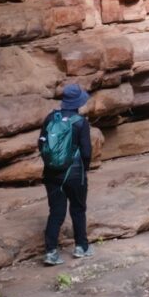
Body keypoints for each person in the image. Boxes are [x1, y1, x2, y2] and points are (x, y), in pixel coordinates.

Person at [38, 83, 94, 265]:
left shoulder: (50, 118)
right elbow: (86, 151)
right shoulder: (80, 122)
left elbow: (41, 144)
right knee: (78, 209)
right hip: (75, 174)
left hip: (51, 174)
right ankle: (81, 247)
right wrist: (85, 169)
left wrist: (52, 164)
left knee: (56, 212)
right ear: (78, 103)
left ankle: (51, 252)